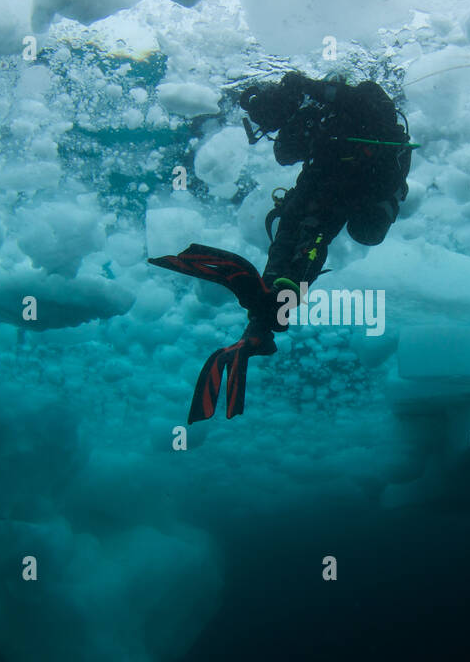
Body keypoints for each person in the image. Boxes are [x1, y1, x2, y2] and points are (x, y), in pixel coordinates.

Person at [149, 70, 413, 422]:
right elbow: (287, 155)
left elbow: (353, 100)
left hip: (358, 183)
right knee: (291, 223)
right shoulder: (327, 115)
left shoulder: (366, 98)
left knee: (313, 232)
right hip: (324, 177)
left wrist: (306, 88)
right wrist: (290, 116)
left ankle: (282, 294)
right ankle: (265, 310)